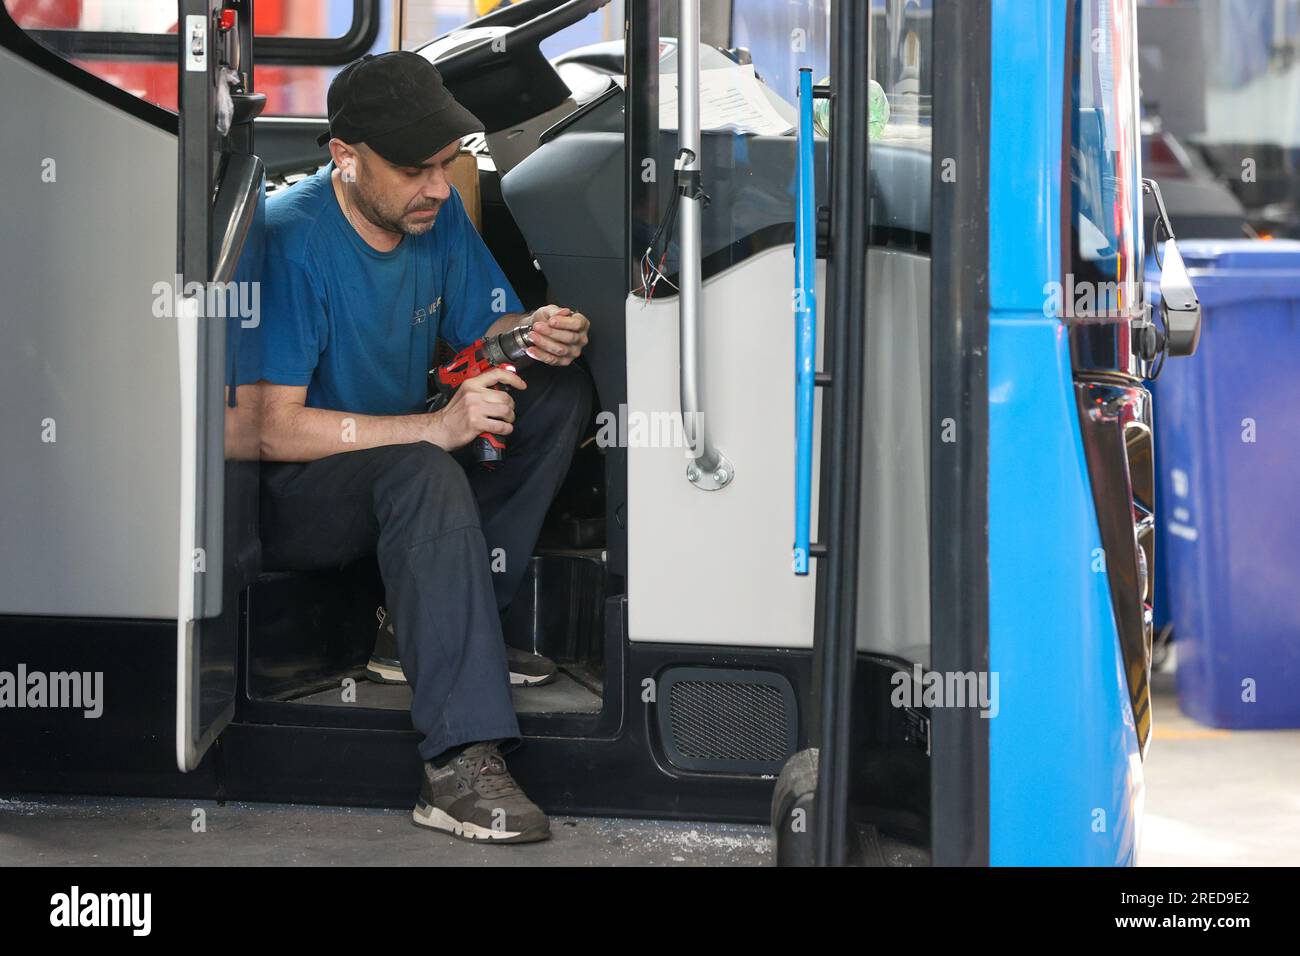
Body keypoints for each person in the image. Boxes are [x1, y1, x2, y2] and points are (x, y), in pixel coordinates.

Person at [240, 51, 592, 844]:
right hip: (301, 491)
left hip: (399, 462)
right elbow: (259, 426)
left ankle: (424, 627)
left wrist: (533, 335)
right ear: (344, 156)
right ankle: (460, 762)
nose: (437, 186)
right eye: (412, 169)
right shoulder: (289, 241)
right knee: (424, 468)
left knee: (550, 395)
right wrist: (432, 430)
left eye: (446, 163)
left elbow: (484, 333)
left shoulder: (432, 217)